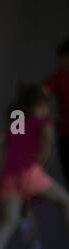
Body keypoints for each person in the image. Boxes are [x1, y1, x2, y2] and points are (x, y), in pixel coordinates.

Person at [0, 84, 69, 249]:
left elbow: (0, 142)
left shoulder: (18, 118)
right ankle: (33, 245)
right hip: (29, 173)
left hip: (9, 175)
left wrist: (2, 163)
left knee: (11, 219)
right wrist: (42, 161)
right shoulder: (42, 120)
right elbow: (48, 144)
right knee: (66, 201)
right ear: (41, 103)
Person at [44, 38, 69, 181]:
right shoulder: (59, 77)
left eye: (64, 58)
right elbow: (40, 94)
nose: (61, 62)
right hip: (65, 133)